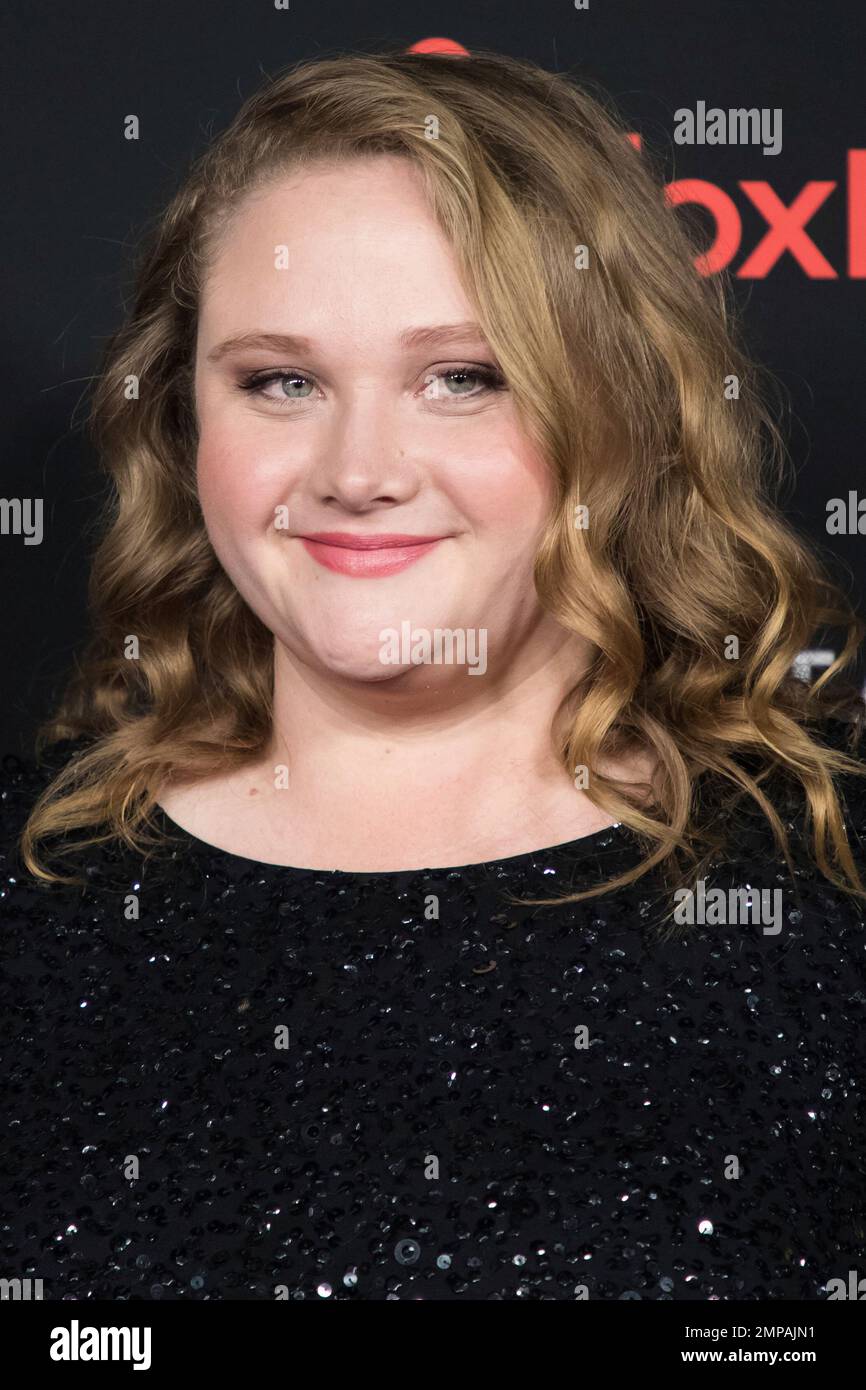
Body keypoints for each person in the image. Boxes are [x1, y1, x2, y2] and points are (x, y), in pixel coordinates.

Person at [2, 48, 865, 1302]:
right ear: (186, 420)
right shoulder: (33, 877)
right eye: (280, 381)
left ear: (619, 408)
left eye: (461, 379)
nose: (359, 469)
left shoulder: (826, 889)